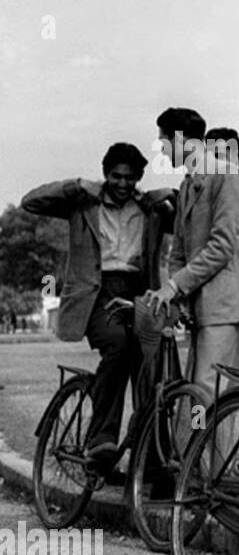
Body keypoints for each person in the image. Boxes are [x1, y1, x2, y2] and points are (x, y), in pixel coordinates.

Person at [21, 144, 176, 469]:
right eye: (116, 177)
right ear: (106, 174)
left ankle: (152, 462)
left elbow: (192, 219)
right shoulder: (82, 203)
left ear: (138, 179)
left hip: (137, 290)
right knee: (117, 344)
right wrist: (75, 184)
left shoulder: (150, 208)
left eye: (130, 178)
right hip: (96, 292)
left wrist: (172, 194)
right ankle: (101, 440)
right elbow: (30, 202)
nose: (122, 184)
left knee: (152, 362)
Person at [142, 121, 239, 397]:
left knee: (212, 392)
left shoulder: (226, 176)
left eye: (164, 142)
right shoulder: (188, 183)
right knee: (196, 390)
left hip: (222, 306)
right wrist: (179, 295)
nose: (162, 150)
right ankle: (201, 441)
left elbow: (222, 247)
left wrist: (175, 286)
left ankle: (222, 442)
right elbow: (178, 251)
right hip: (197, 306)